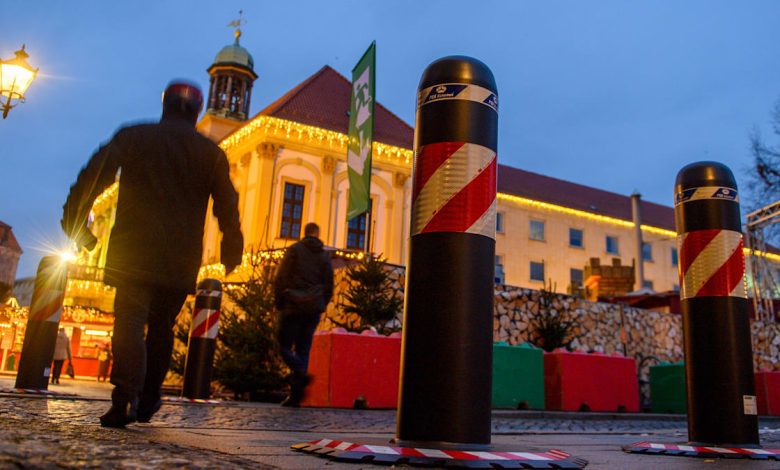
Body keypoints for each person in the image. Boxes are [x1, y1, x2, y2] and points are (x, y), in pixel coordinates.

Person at [61, 81, 243, 428]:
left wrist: (74, 220)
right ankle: (148, 398)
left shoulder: (134, 136)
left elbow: (92, 176)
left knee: (128, 320)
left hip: (133, 249)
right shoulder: (211, 153)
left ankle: (125, 396)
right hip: (179, 256)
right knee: (162, 326)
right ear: (197, 112)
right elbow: (227, 205)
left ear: (165, 105)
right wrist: (232, 250)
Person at [273, 222, 334, 407]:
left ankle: (299, 372)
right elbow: (329, 285)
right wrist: (321, 303)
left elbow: (281, 277)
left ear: (305, 233)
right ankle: (296, 396)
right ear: (317, 234)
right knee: (303, 349)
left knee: (282, 345)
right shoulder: (324, 256)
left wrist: (279, 301)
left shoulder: (294, 250)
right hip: (314, 307)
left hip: (293, 305)